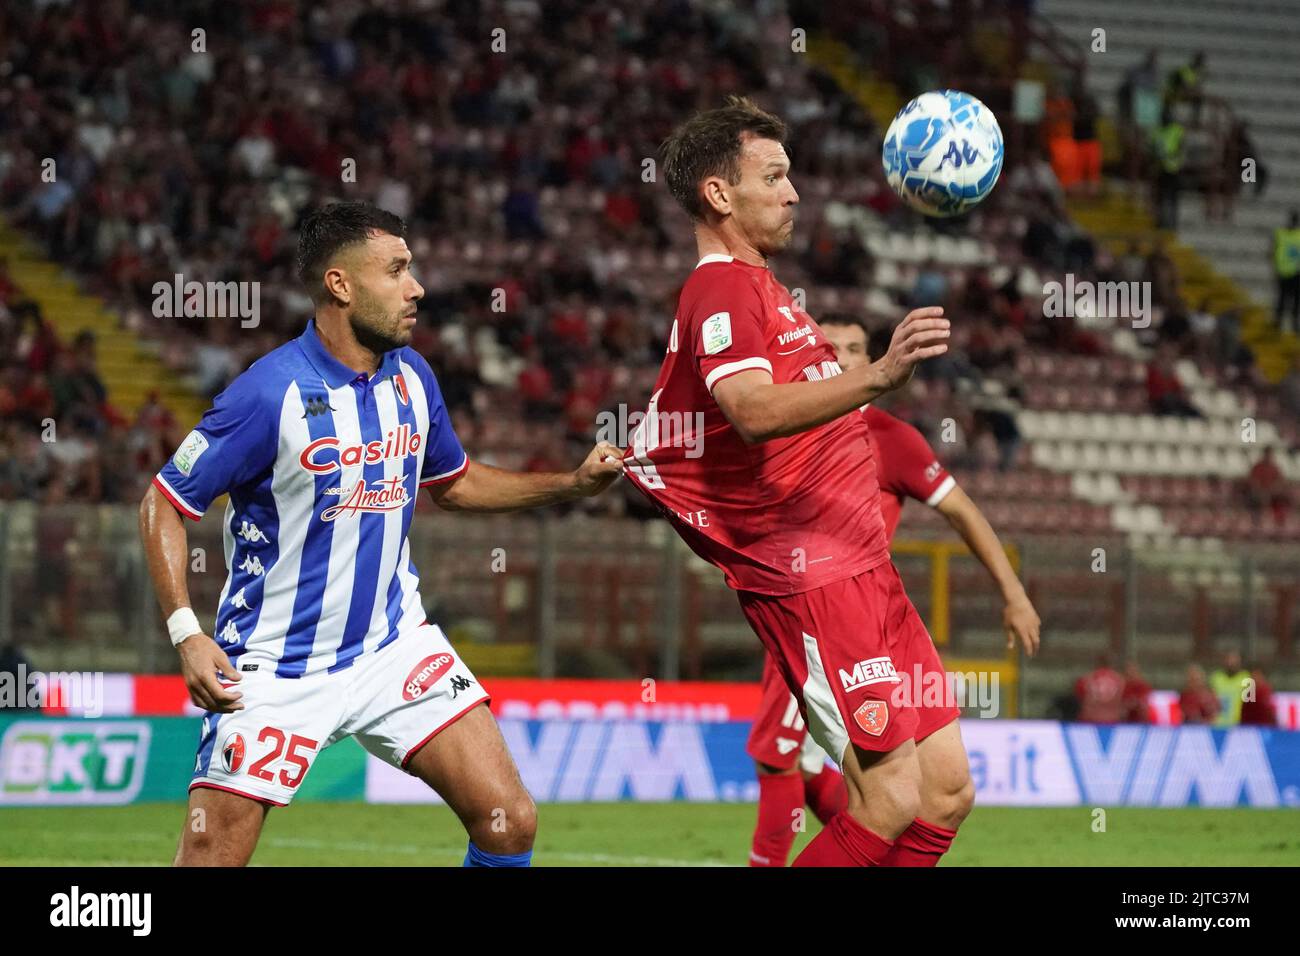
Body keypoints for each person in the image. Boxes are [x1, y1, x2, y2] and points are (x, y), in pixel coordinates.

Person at [139, 201, 625, 867]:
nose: (417, 287)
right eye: (397, 270)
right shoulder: (267, 394)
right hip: (276, 668)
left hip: (392, 649)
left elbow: (453, 483)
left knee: (509, 822)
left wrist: (568, 485)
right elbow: (164, 501)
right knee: (210, 859)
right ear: (340, 285)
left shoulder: (413, 378)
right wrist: (186, 633)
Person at [624, 96, 1037, 868]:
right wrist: (879, 374)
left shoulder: (773, 294)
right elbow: (748, 410)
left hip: (870, 575)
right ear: (720, 194)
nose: (794, 192)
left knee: (947, 792)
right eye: (774, 176)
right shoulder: (720, 290)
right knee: (887, 801)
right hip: (815, 580)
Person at [745, 314, 1041, 867]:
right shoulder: (781, 430)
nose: (839, 357)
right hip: (817, 622)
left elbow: (962, 511)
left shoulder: (889, 438)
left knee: (941, 792)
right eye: (827, 347)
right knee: (791, 765)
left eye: (854, 349)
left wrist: (1014, 593)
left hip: (881, 619)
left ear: (870, 360)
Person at [1074, 654, 1125, 724]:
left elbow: (1080, 698)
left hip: (1091, 719)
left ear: (1098, 663)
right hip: (1113, 719)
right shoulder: (1120, 680)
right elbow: (1124, 701)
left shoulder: (1087, 679)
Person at [1273, 209, 1300, 335]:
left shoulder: (1298, 235)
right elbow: (1273, 251)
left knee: (1295, 300)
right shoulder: (1280, 234)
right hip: (1283, 271)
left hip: (1296, 271)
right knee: (1282, 299)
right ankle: (1278, 322)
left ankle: (1294, 323)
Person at [1209, 651, 1252, 727]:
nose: (1231, 663)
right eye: (1229, 659)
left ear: (1240, 662)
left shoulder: (1246, 678)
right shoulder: (1216, 678)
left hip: (1239, 724)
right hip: (1218, 724)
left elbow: (1250, 704)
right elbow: (1210, 701)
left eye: (1234, 660)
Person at [1120, 659, 1152, 723]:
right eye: (1129, 671)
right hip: (1125, 722)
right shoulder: (1122, 686)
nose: (1131, 673)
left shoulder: (1143, 686)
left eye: (1133, 671)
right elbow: (1120, 706)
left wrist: (1136, 703)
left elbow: (1147, 704)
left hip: (1141, 722)